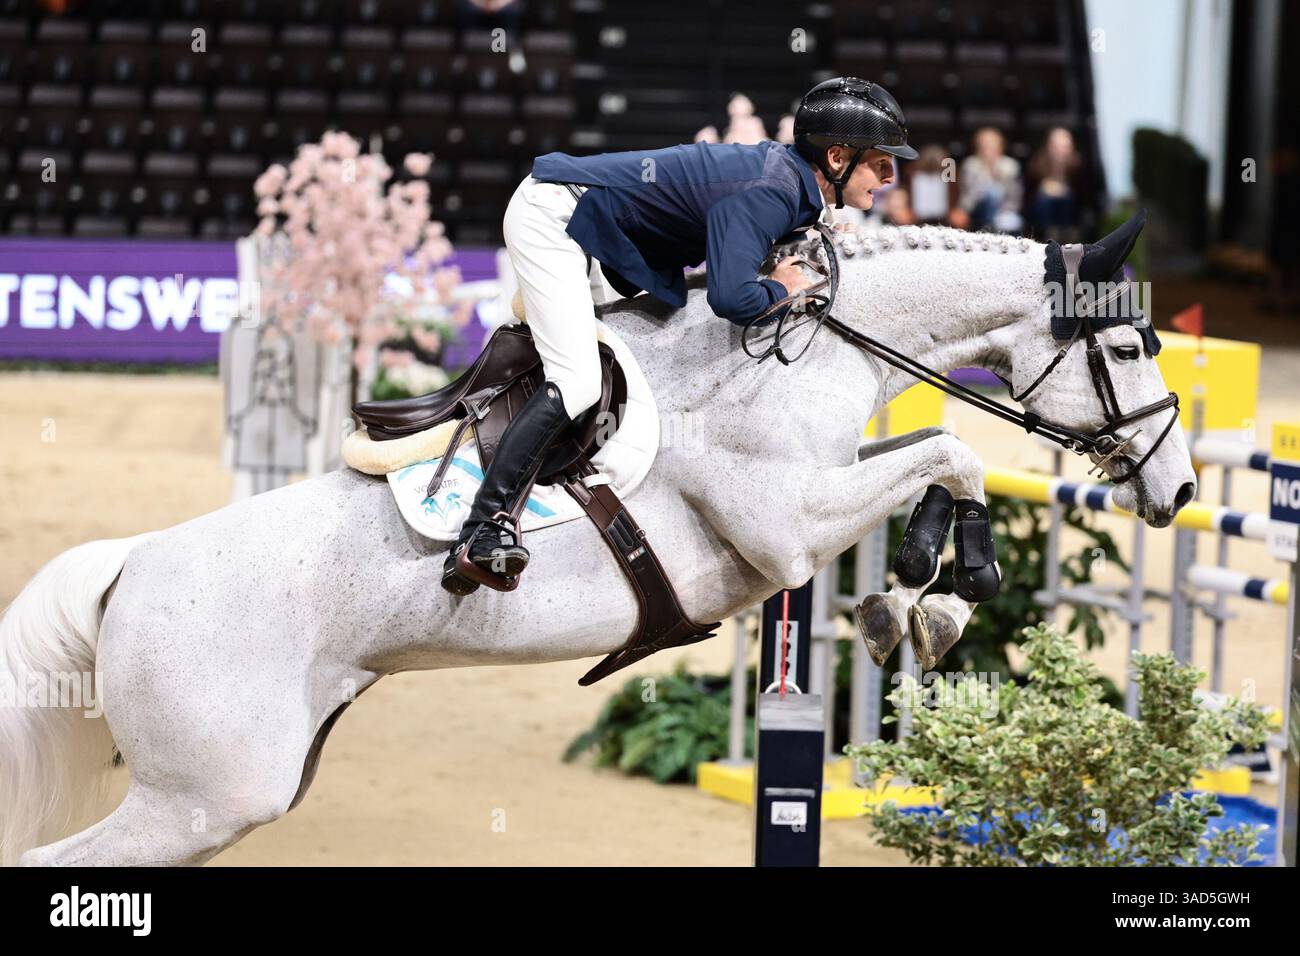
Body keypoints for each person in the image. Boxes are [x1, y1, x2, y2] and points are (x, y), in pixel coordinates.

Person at [441, 76, 918, 595]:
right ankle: (482, 530)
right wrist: (779, 288)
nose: (891, 175)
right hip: (558, 218)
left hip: (606, 239)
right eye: (881, 161)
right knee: (578, 381)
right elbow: (732, 300)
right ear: (836, 157)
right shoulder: (772, 189)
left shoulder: (788, 185)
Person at [1023, 126, 1090, 242]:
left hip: (1070, 211)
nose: (1060, 150)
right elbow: (1028, 196)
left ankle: (1067, 236)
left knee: (1066, 198)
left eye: (1064, 146)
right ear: (1049, 146)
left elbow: (1084, 197)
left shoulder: (1078, 167)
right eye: (1056, 146)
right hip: (1042, 210)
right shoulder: (1037, 163)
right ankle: (1048, 236)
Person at [958, 127, 1023, 233]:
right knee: (992, 193)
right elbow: (969, 195)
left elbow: (1014, 196)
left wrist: (1004, 212)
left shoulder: (1010, 166)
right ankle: (987, 235)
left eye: (992, 145)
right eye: (984, 146)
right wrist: (985, 173)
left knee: (1013, 221)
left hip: (1003, 210)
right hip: (976, 209)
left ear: (1000, 147)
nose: (988, 149)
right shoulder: (970, 165)